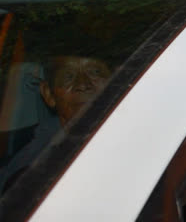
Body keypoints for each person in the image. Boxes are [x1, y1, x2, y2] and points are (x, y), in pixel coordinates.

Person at [0, 55, 112, 191]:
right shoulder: (34, 174)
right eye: (68, 77)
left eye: (95, 72)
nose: (83, 84)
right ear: (48, 94)